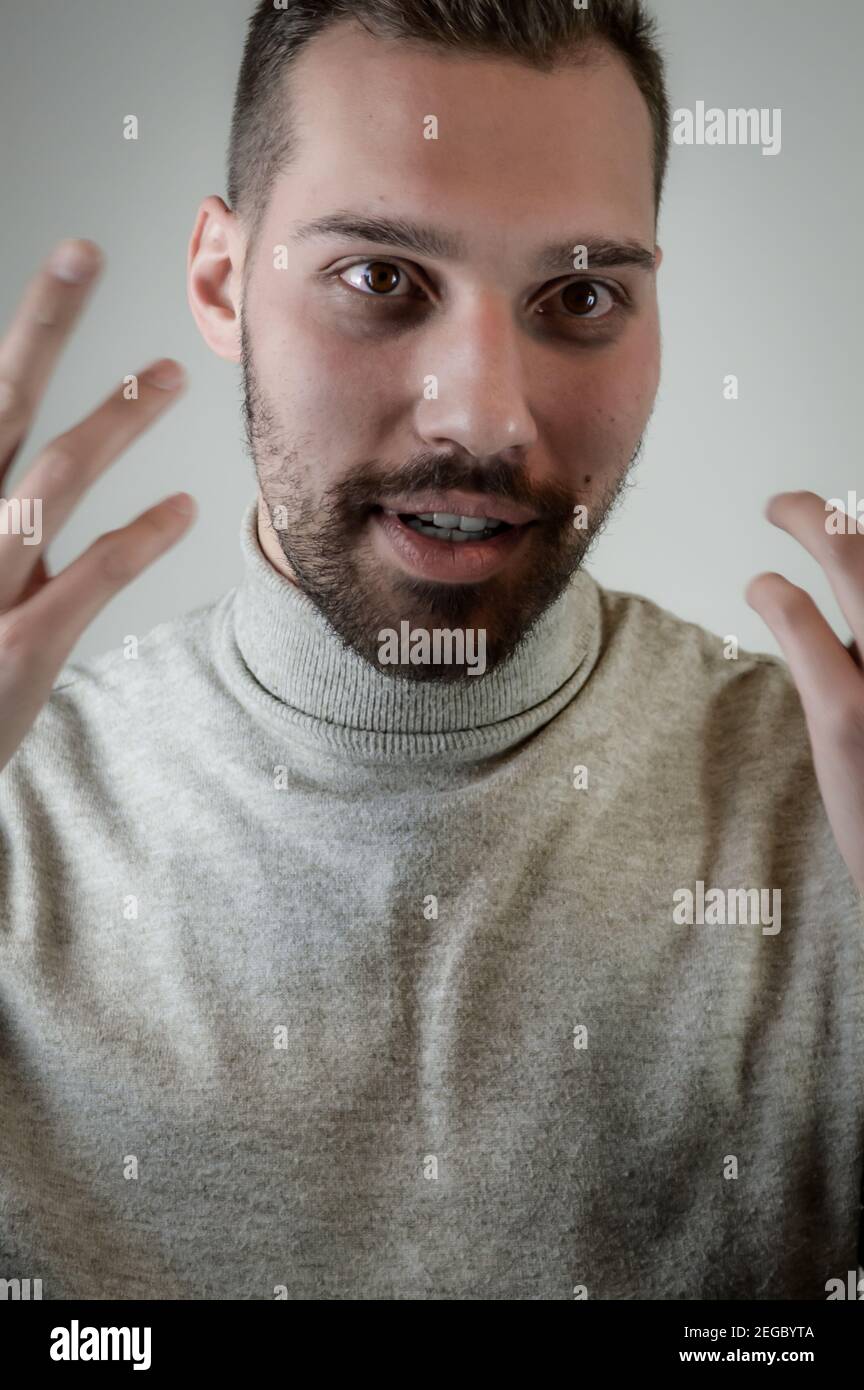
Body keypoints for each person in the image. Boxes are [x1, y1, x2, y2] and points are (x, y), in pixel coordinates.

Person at [0, 0, 861, 1302]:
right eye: (380, 279)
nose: (484, 414)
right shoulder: (16, 810)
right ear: (223, 281)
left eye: (580, 294)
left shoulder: (838, 811)